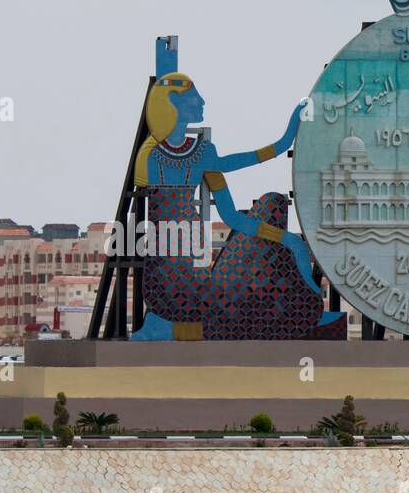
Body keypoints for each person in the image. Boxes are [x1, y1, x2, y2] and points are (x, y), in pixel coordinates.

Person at [129, 72, 343, 341]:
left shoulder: (203, 152)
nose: (202, 101)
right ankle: (171, 328)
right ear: (172, 102)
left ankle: (309, 309)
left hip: (198, 271)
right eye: (194, 97)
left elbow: (231, 217)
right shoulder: (152, 157)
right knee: (247, 311)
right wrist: (285, 140)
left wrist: (284, 238)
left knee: (274, 210)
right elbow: (232, 163)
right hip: (170, 276)